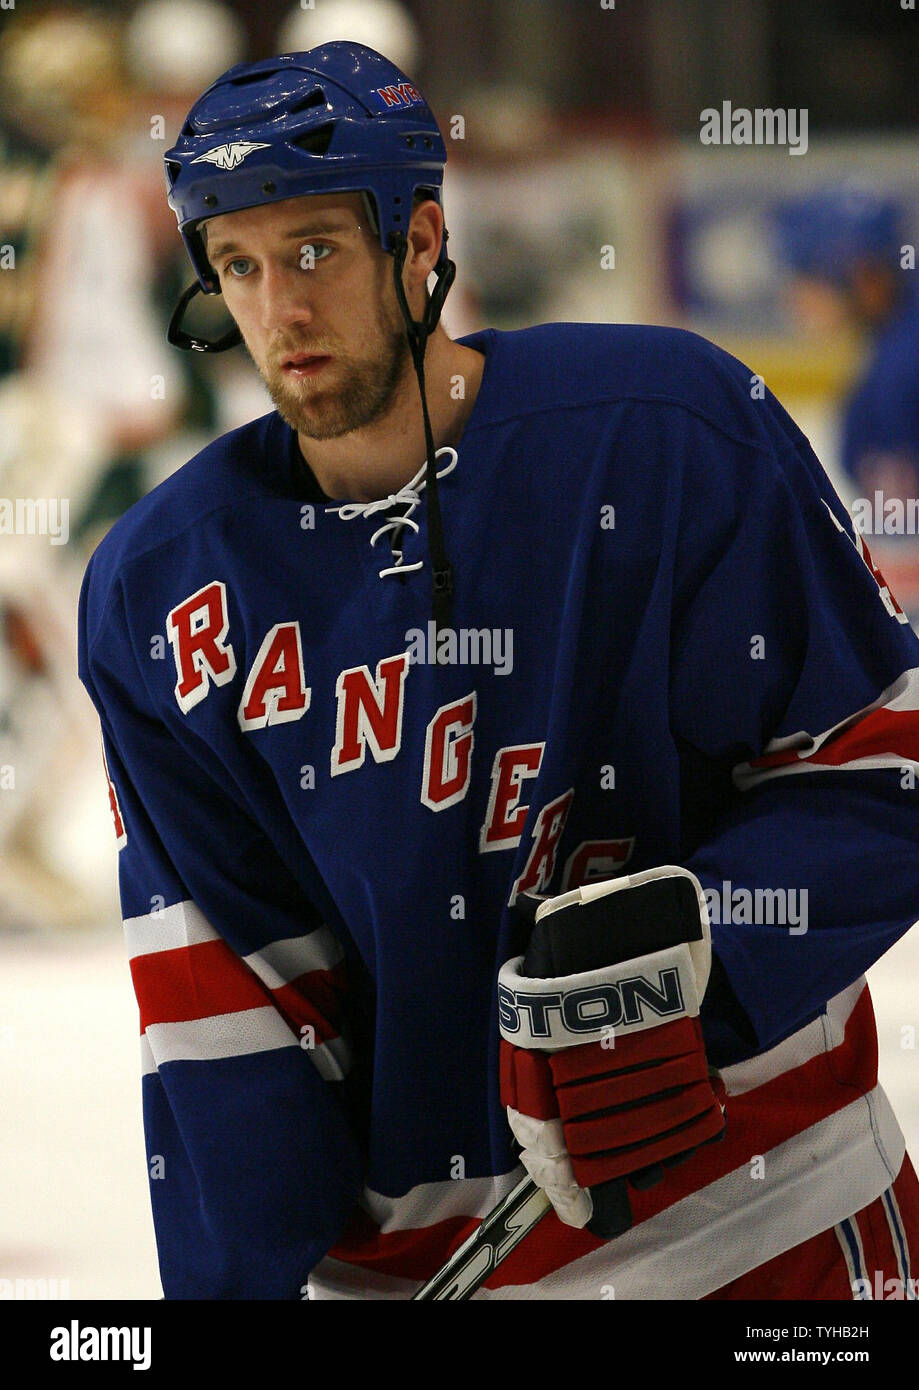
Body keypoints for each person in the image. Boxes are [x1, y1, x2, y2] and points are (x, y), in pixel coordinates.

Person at [78, 43, 919, 1301]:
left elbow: (878, 758)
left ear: (419, 241)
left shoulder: (663, 431)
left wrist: (696, 967)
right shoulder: (158, 587)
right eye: (239, 266)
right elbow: (225, 988)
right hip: (428, 1268)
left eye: (313, 251)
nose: (279, 312)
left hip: (757, 1210)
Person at [777, 185, 919, 625]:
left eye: (807, 273)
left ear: (864, 276)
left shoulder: (896, 378)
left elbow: (905, 547)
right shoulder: (894, 353)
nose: (795, 295)